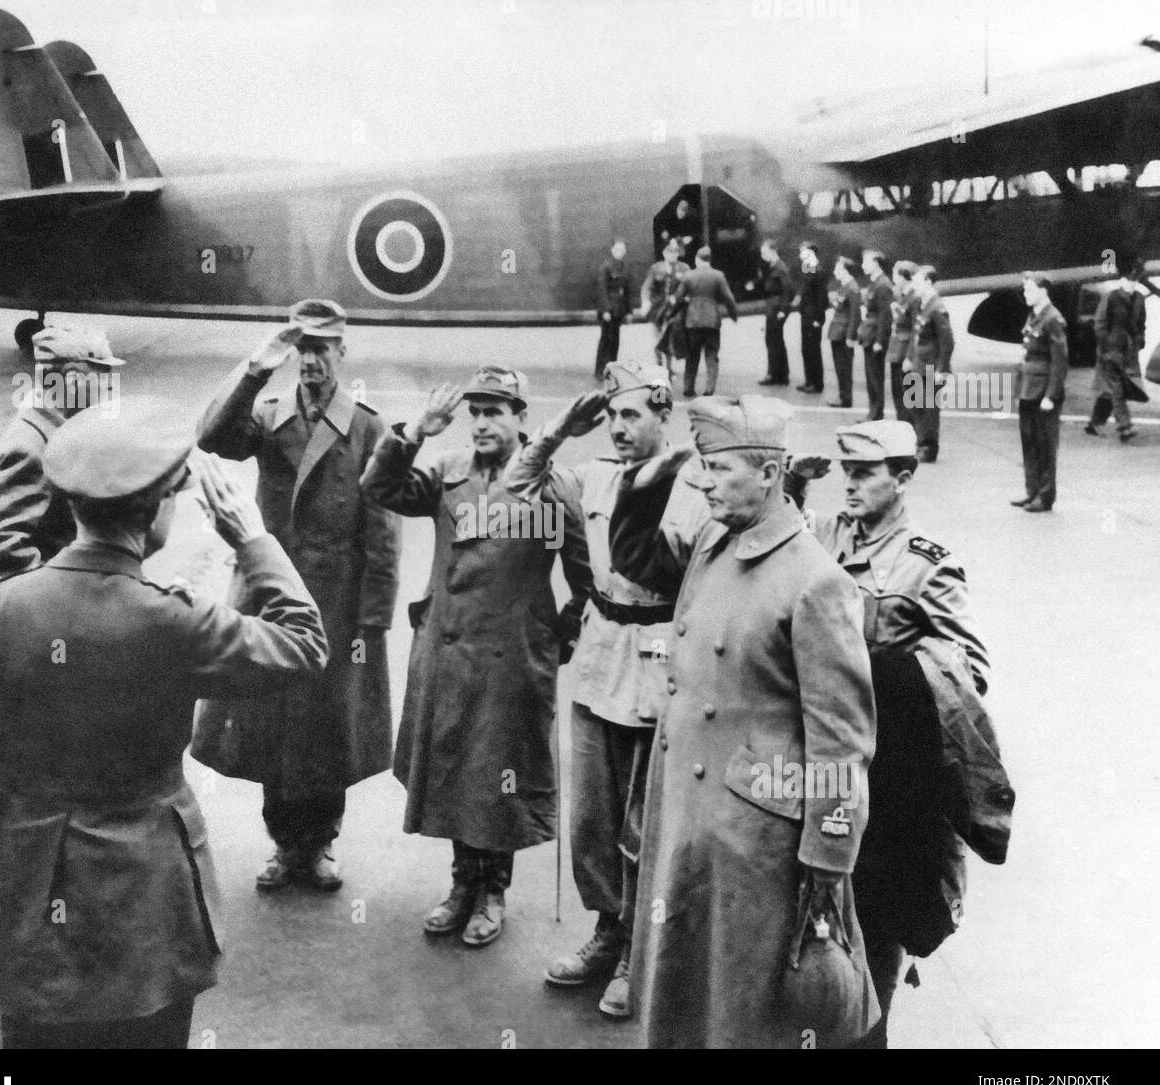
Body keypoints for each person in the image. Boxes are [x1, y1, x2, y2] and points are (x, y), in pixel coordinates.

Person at [0, 401, 329, 1048]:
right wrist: (252, 538)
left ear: (73, 503)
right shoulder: (174, 622)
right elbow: (305, 645)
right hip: (149, 919)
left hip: (29, 913)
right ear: (157, 509)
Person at [608, 395, 879, 1048]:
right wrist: (646, 486)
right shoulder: (713, 538)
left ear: (768, 473)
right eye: (699, 465)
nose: (701, 481)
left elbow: (842, 742)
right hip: (690, 822)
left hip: (756, 843)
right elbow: (636, 561)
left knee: (747, 1013)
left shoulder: (816, 581)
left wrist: (826, 864)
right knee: (686, 998)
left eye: (715, 466)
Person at [361, 367, 591, 948]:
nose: (484, 422)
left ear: (521, 417)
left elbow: (582, 579)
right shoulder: (445, 472)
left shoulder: (551, 485)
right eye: (476, 412)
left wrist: (552, 638)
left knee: (501, 777)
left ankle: (494, 890)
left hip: (512, 656)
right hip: (449, 646)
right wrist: (416, 430)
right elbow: (379, 489)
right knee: (456, 769)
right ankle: (463, 882)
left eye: (497, 411)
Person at [505, 361, 708, 1019]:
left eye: (632, 416)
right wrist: (562, 427)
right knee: (591, 814)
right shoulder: (590, 475)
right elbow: (518, 483)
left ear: (662, 416)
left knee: (641, 822)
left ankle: (637, 953)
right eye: (611, 415)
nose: (619, 428)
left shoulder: (691, 485)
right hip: (599, 656)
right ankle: (606, 928)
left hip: (658, 660)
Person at [787, 419, 990, 1047]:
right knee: (808, 911)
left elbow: (971, 671)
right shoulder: (823, 533)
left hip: (889, 778)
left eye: (865, 473)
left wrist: (877, 673)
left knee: (874, 925)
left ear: (902, 479)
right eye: (846, 472)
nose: (850, 485)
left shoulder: (926, 564)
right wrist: (794, 477)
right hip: (815, 757)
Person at [194, 299, 400, 891]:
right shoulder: (267, 411)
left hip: (338, 604)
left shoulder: (366, 425)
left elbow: (383, 529)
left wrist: (374, 621)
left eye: (322, 349)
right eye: (302, 349)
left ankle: (322, 842)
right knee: (270, 720)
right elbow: (212, 437)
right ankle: (285, 845)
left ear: (342, 351)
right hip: (271, 595)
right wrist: (257, 366)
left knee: (330, 725)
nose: (311, 361)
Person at [0, 323, 124, 577]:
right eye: (104, 376)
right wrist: (53, 592)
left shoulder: (58, 423)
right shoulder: (30, 447)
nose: (111, 387)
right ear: (73, 380)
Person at [1011, 273, 1068, 513]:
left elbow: (1060, 361)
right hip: (1028, 389)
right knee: (1030, 442)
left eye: (1029, 290)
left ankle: (1045, 496)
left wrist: (1051, 395)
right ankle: (1031, 490)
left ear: (1043, 290)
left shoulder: (1053, 319)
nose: (1025, 294)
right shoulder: (1034, 315)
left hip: (1043, 391)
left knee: (1045, 445)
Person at [1087, 259, 1148, 441]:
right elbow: (1100, 324)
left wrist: (1140, 341)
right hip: (1109, 352)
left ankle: (1094, 423)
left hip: (1128, 354)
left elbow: (1141, 325)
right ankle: (1125, 427)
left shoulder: (1139, 299)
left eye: (1135, 280)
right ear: (1121, 279)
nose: (1131, 283)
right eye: (1129, 279)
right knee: (1117, 389)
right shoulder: (1111, 297)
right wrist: (1106, 348)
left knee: (1110, 391)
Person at [674, 246, 738, 397]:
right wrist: (733, 314)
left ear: (697, 259)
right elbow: (729, 298)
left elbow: (678, 297)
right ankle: (709, 388)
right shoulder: (718, 275)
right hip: (712, 321)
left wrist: (677, 309)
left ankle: (688, 387)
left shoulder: (688, 276)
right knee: (711, 355)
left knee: (692, 355)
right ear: (709, 260)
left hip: (693, 321)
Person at [906, 265, 954, 462]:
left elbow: (947, 340)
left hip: (932, 367)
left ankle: (928, 448)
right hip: (919, 363)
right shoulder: (921, 303)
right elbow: (916, 334)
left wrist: (942, 369)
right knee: (917, 406)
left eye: (918, 281)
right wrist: (910, 358)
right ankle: (920, 442)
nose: (914, 284)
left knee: (930, 410)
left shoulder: (937, 307)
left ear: (928, 282)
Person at [640, 239, 690, 380]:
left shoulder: (684, 268)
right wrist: (645, 302)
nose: (673, 254)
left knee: (669, 340)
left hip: (675, 310)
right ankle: (659, 368)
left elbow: (689, 286)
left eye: (675, 251)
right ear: (664, 253)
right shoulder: (657, 268)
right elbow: (646, 287)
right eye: (670, 251)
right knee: (658, 340)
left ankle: (668, 368)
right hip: (658, 311)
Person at [858, 250, 893, 419]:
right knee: (871, 377)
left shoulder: (883, 285)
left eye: (866, 262)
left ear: (876, 263)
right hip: (869, 336)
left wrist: (880, 340)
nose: (863, 265)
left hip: (875, 338)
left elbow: (885, 316)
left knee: (875, 377)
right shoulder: (875, 283)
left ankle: (876, 413)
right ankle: (873, 411)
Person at [595, 239, 634, 380]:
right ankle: (600, 371)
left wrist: (629, 311)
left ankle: (612, 369)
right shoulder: (606, 267)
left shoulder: (624, 267)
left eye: (623, 249)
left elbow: (627, 290)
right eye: (618, 249)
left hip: (619, 309)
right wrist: (605, 310)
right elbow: (602, 289)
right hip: (608, 310)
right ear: (612, 250)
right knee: (605, 340)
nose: (620, 252)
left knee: (615, 341)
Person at [794, 241, 830, 394]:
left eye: (803, 252)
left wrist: (818, 318)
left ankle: (817, 383)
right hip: (806, 315)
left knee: (814, 350)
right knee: (806, 349)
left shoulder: (818, 271)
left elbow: (822, 297)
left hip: (813, 316)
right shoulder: (808, 268)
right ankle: (809, 380)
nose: (801, 255)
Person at [758, 239, 795, 386]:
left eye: (764, 252)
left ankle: (774, 374)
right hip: (773, 306)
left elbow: (788, 289)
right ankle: (781, 374)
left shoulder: (780, 267)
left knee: (773, 340)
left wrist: (782, 309)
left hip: (777, 307)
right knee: (775, 340)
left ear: (772, 251)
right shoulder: (774, 266)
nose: (762, 255)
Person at [887, 260, 920, 424]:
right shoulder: (903, 296)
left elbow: (916, 330)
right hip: (896, 349)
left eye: (895, 273)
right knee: (897, 392)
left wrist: (909, 357)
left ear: (902, 276)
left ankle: (908, 428)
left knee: (905, 394)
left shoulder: (913, 298)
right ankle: (902, 425)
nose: (893, 277)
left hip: (904, 351)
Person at [826, 256, 861, 408]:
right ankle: (842, 396)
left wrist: (850, 336)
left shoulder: (852, 288)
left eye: (838, 268)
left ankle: (846, 398)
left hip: (843, 334)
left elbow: (855, 314)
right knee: (840, 368)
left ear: (846, 271)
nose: (835, 271)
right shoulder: (845, 286)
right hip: (837, 333)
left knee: (844, 368)